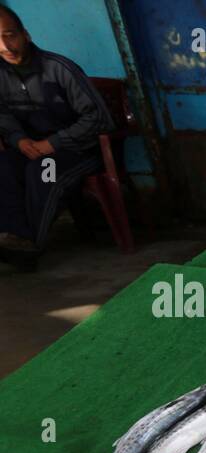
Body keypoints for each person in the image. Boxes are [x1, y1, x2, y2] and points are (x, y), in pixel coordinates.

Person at [0, 4, 113, 261]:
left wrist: (53, 143)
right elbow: (2, 115)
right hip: (31, 149)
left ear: (25, 35)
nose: (5, 46)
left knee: (43, 171)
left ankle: (29, 245)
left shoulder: (60, 68)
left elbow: (99, 119)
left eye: (9, 35)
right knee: (4, 165)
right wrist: (19, 139)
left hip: (76, 151)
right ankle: (12, 237)